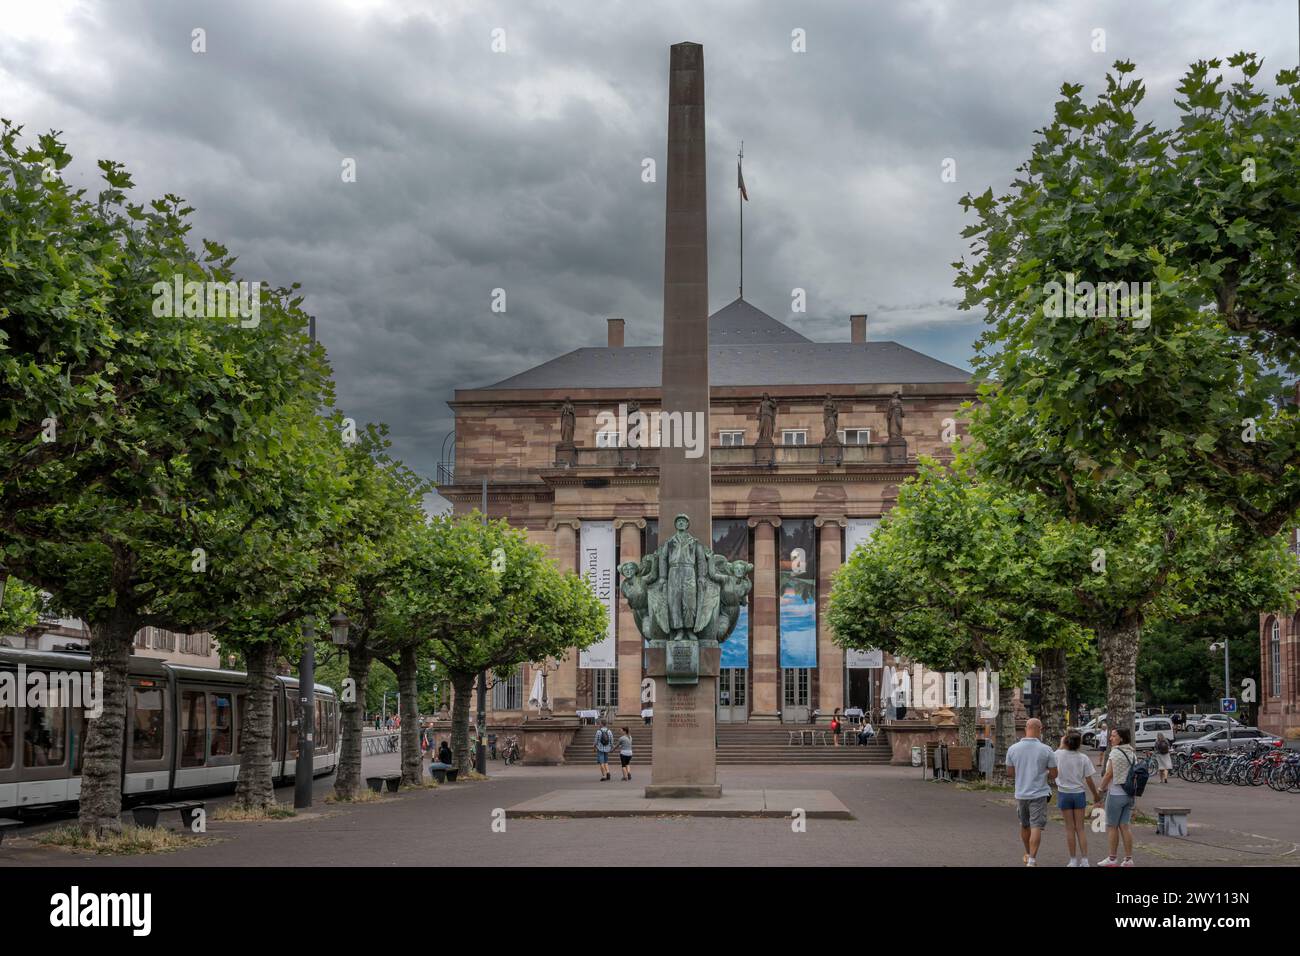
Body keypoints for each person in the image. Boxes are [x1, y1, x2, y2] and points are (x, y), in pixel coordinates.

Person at [1004, 717, 1058, 867]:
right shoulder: (1046, 750)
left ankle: (1028, 853)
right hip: (1039, 793)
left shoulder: (1013, 749)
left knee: (1024, 824)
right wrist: (1044, 772)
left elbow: (1009, 772)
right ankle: (1032, 860)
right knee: (1036, 826)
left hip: (1021, 793)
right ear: (1040, 729)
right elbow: (1054, 774)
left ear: (1025, 729)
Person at [1054, 730, 1101, 867]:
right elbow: (1089, 780)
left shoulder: (1057, 755)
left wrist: (1061, 745)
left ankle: (1073, 859)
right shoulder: (1083, 758)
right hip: (1078, 793)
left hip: (1064, 793)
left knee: (1069, 828)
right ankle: (1085, 859)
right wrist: (1095, 795)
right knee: (1080, 828)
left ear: (1065, 741)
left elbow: (1051, 762)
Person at [1095, 727, 1138, 867]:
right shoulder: (1132, 752)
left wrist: (1100, 789)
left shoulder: (1115, 753)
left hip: (1115, 793)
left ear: (1121, 738)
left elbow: (1109, 774)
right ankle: (1128, 859)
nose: (1110, 738)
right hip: (1129, 794)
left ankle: (1112, 858)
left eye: (1113, 736)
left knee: (1112, 826)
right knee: (1125, 826)